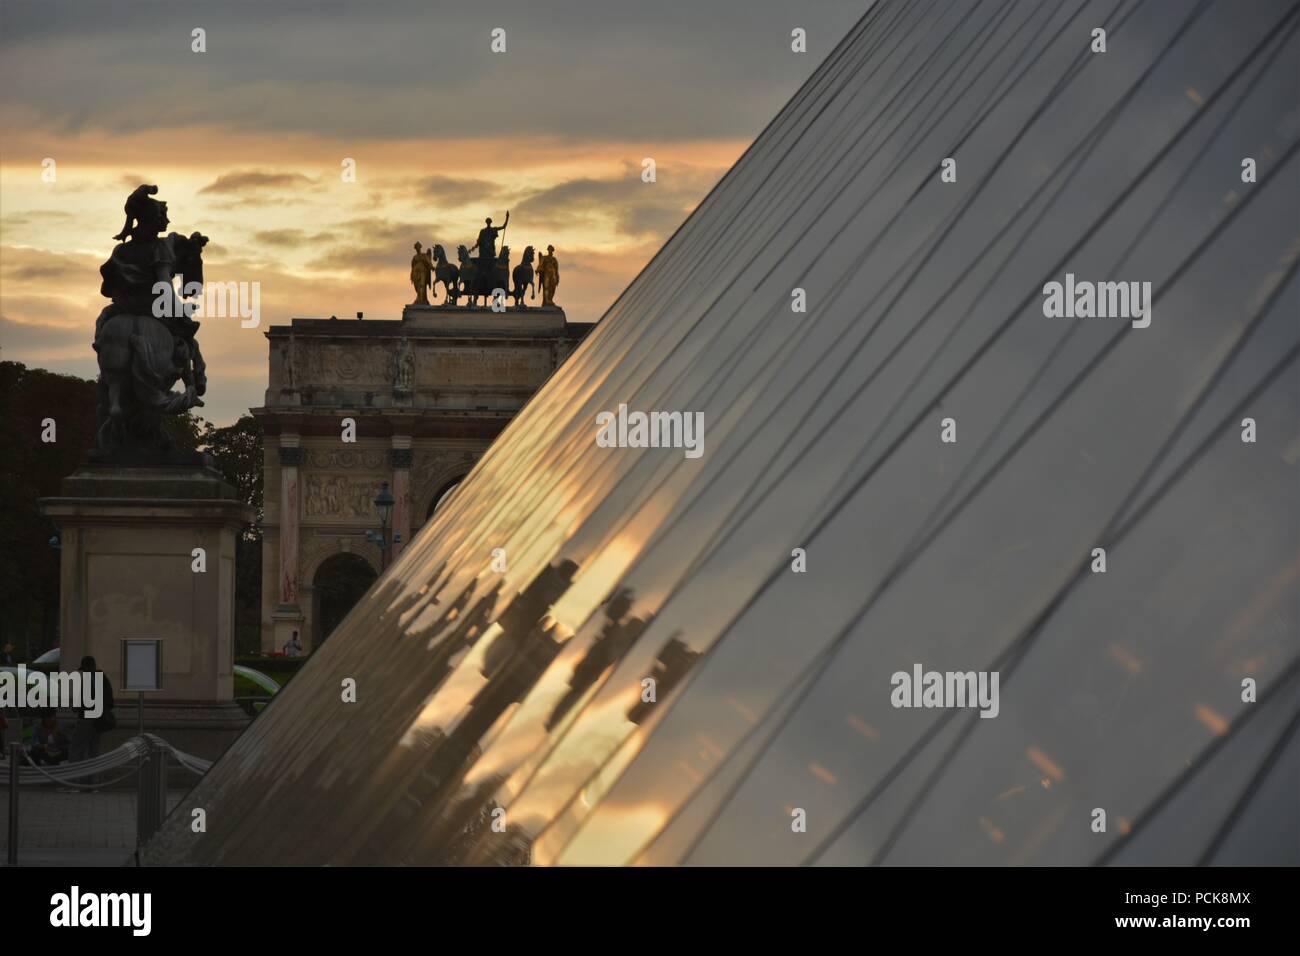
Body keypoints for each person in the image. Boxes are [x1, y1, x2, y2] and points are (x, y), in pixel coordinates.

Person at [69, 656, 114, 786]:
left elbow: (82, 703)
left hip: (86, 720)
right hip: (99, 721)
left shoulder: (88, 679)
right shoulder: (103, 678)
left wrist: (76, 708)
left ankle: (74, 782)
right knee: (94, 751)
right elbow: (111, 701)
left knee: (77, 749)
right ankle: (92, 782)